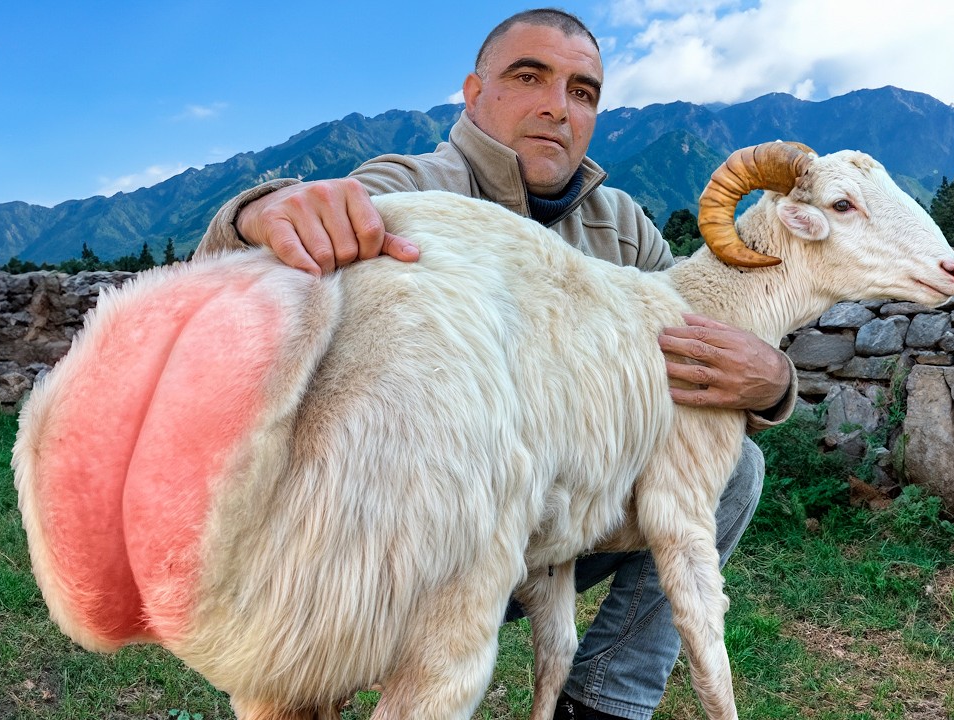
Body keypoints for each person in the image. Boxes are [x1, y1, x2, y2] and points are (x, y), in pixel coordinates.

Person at [197, 9, 796, 719]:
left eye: (582, 91)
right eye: (529, 77)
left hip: (545, 526)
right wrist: (257, 214)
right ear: (474, 93)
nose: (557, 106)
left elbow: (692, 386)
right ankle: (326, 662)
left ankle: (605, 702)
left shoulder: (623, 229)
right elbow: (279, 259)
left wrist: (774, 384)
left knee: (736, 471)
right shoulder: (410, 186)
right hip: (408, 538)